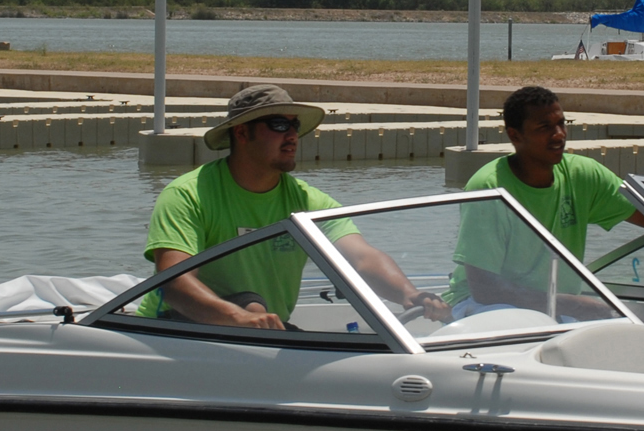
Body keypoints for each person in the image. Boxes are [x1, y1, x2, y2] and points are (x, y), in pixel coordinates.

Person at [142, 84, 451, 330]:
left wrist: (409, 295)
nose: (292, 135)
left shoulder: (308, 202)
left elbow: (362, 259)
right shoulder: (188, 194)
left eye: (295, 125)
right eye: (278, 124)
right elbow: (173, 282)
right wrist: (237, 318)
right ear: (241, 132)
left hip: (261, 330)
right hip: (174, 333)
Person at [445, 85, 644, 319]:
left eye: (562, 124)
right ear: (515, 135)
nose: (559, 134)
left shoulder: (583, 174)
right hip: (481, 306)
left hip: (554, 305)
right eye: (545, 127)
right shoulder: (488, 188)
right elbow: (485, 289)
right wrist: (574, 305)